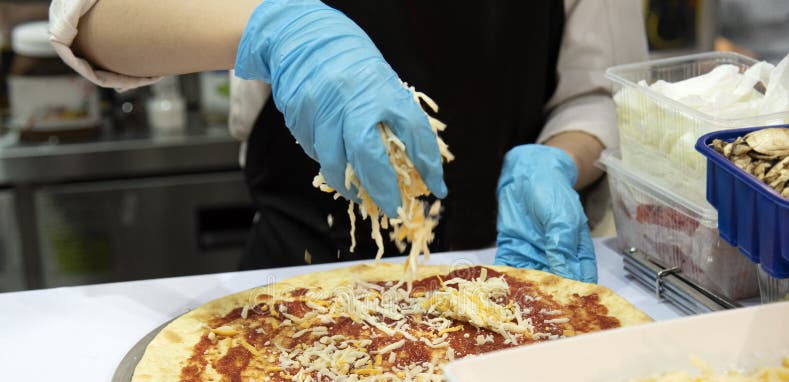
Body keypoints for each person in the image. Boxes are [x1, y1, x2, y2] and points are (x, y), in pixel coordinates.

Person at [49, 0, 647, 283]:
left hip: (502, 273)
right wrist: (278, 30)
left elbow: (600, 94)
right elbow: (91, 23)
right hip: (293, 280)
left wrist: (556, 159)